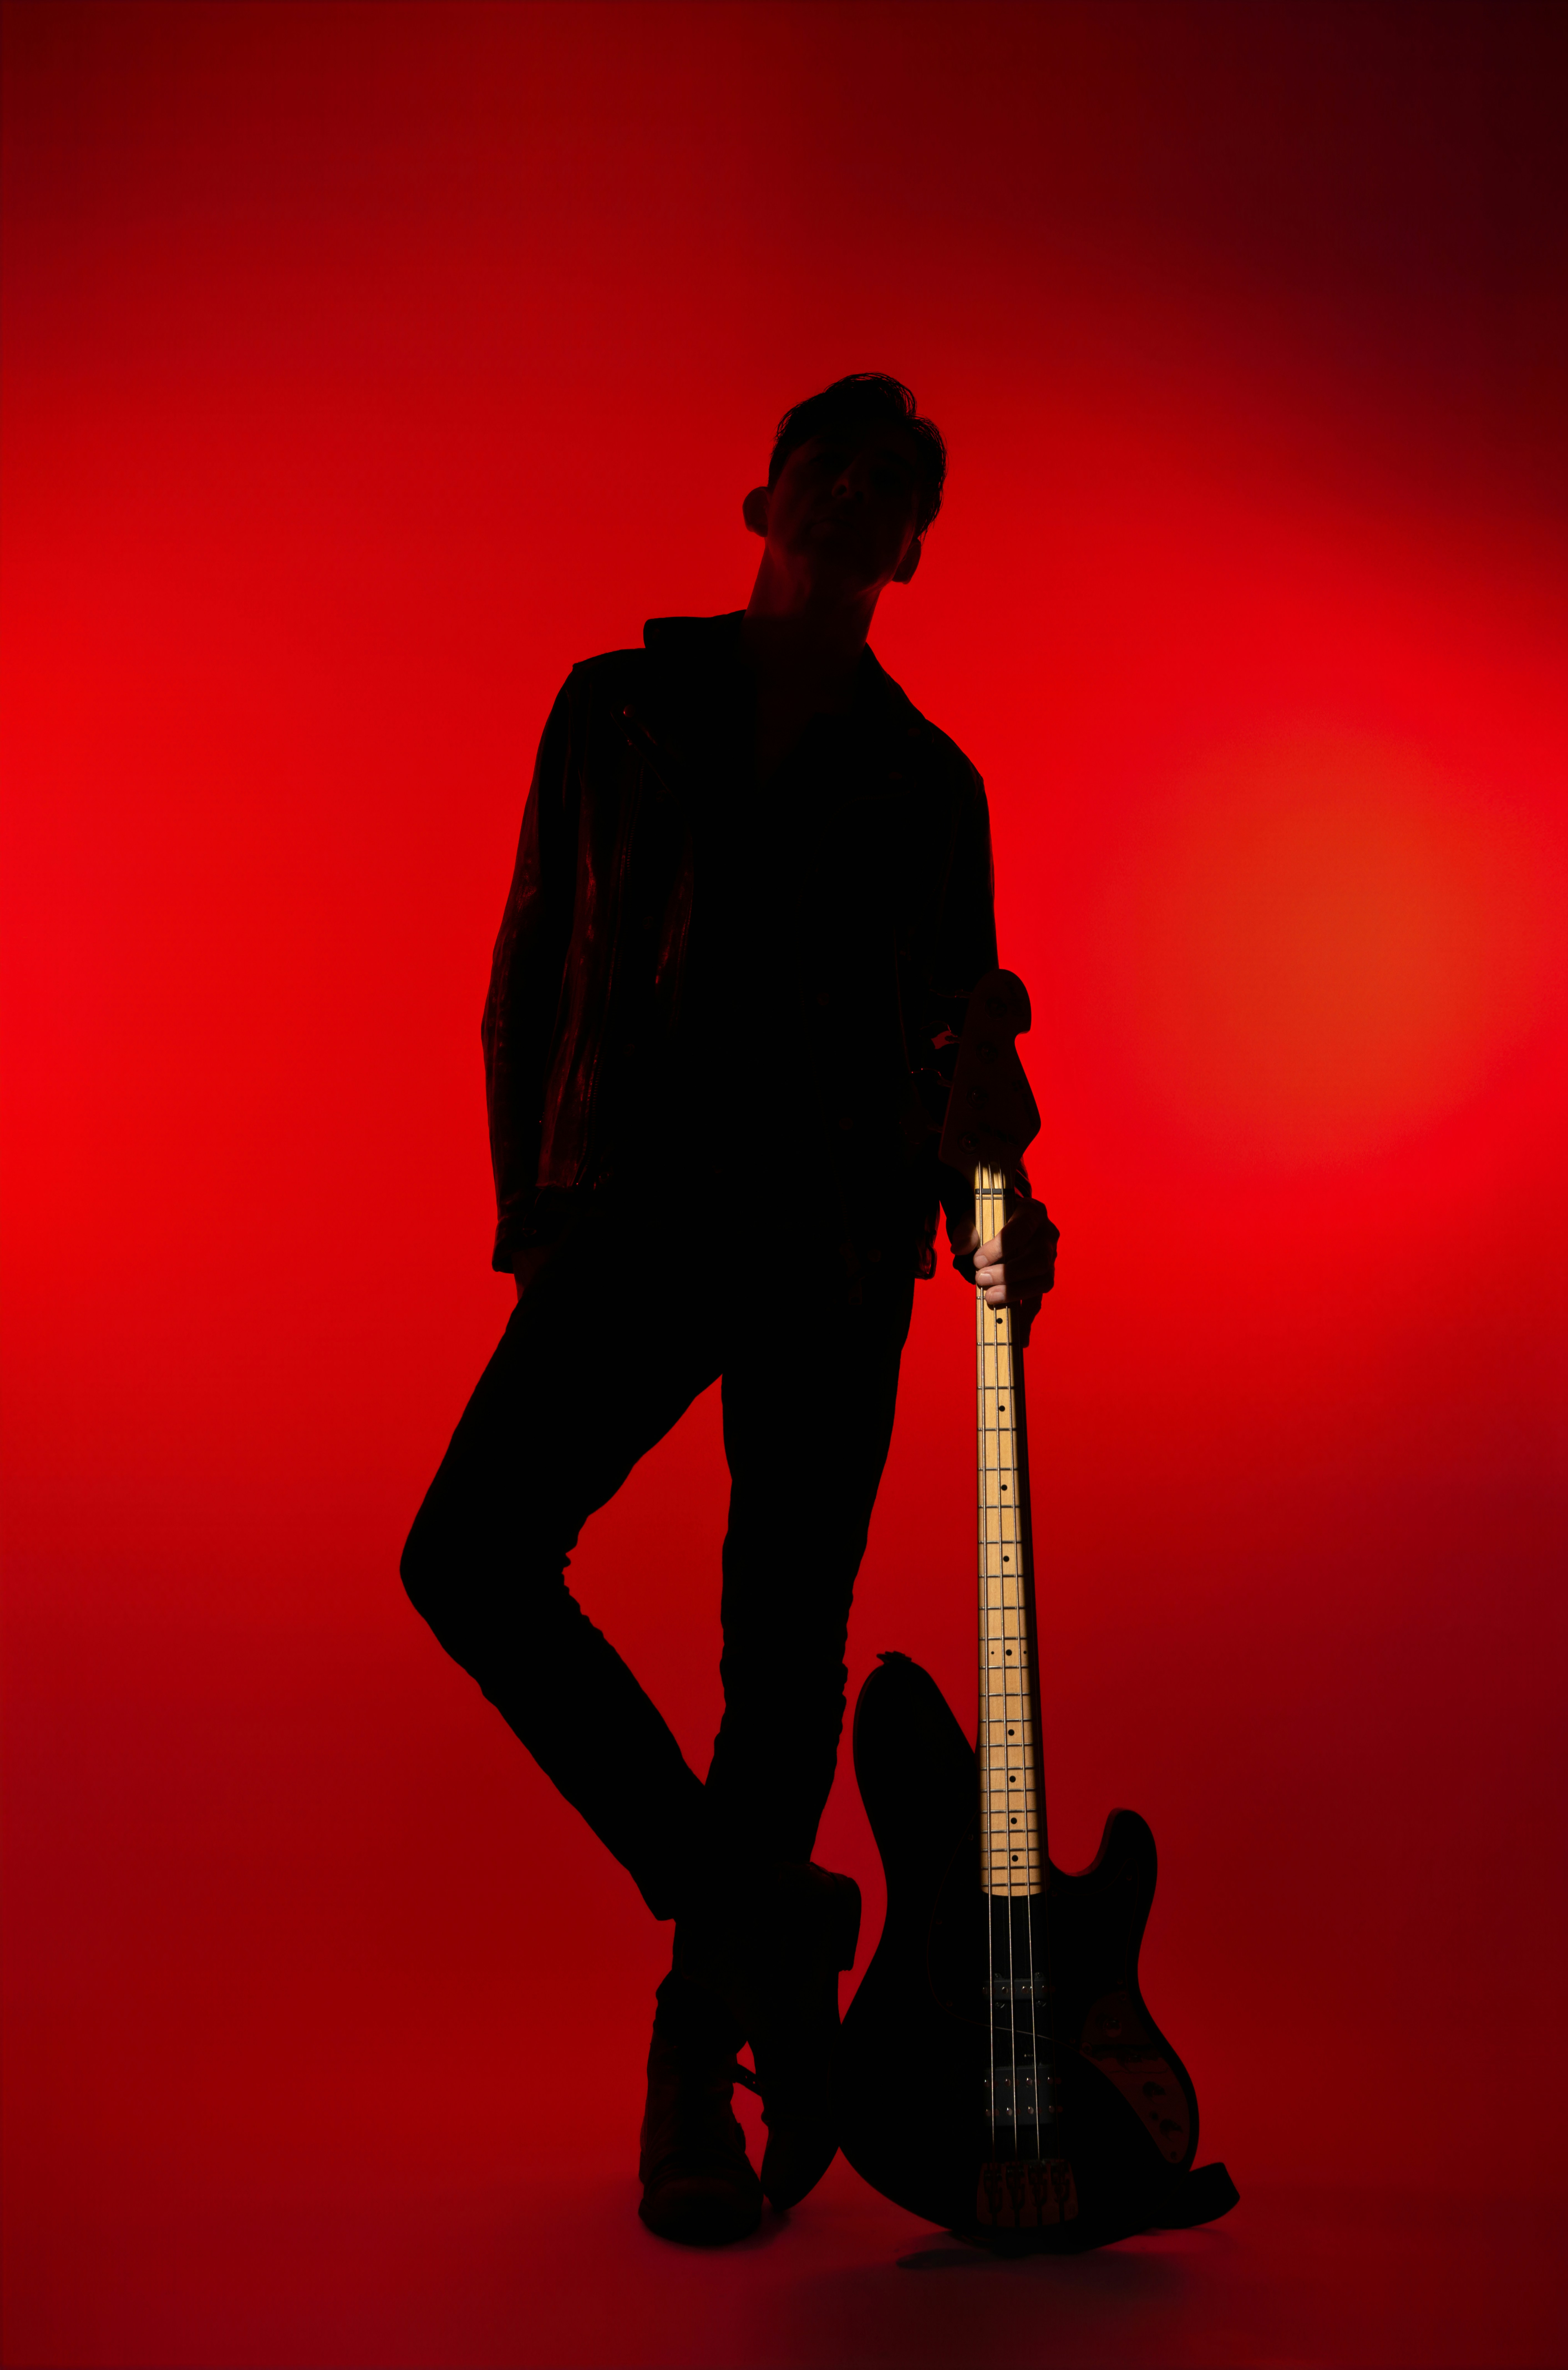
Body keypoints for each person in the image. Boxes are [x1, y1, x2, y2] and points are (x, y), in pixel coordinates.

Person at [400, 374, 1057, 2246]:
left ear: (913, 549)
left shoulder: (935, 787)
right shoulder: (617, 710)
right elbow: (532, 956)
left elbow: (965, 1036)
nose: (856, 499)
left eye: (895, 489)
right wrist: (535, 1204)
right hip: (633, 1220)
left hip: (838, 1257)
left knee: (783, 1664)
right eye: (831, 469)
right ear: (758, 497)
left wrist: (999, 1201)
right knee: (468, 1559)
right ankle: (757, 1910)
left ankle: (700, 2065)